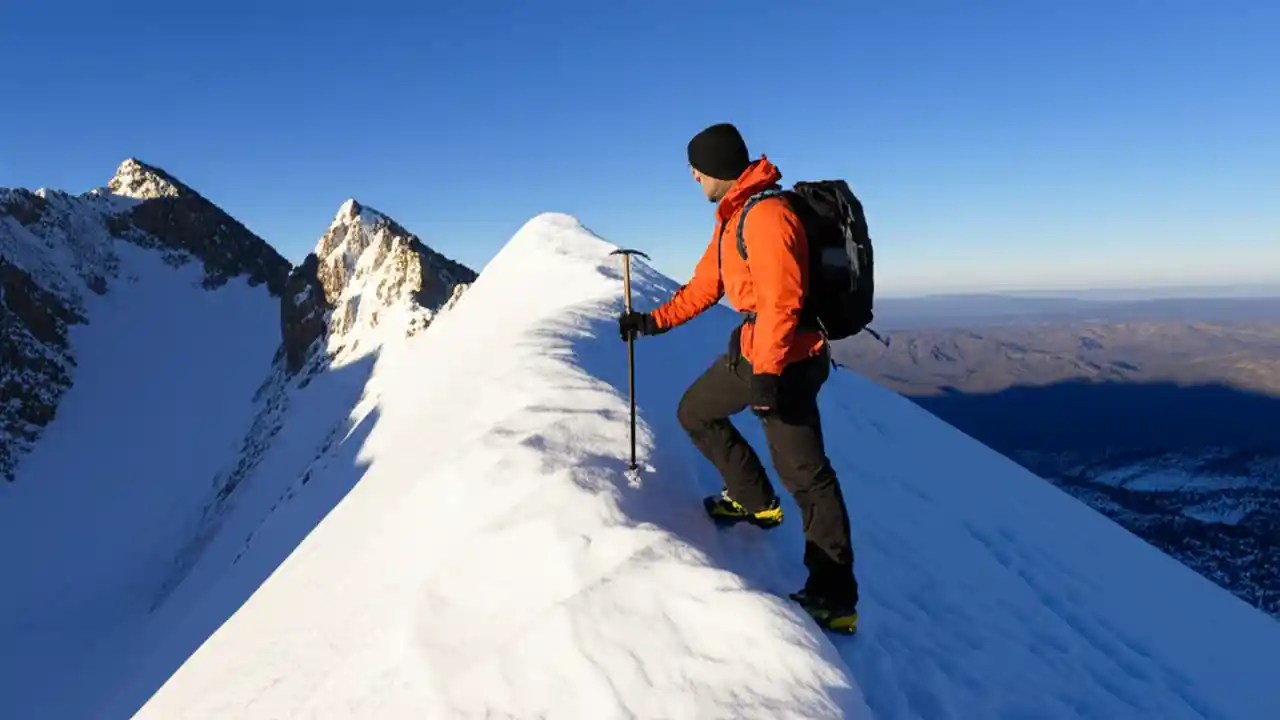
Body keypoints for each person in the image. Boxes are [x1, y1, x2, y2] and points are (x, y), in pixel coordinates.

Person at [617, 122, 859, 633]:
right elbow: (706, 286)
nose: (693, 177)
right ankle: (755, 502)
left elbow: (782, 302)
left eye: (696, 169)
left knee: (808, 477)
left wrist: (768, 377)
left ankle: (834, 598)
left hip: (785, 360)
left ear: (718, 167)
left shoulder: (767, 216)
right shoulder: (733, 219)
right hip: (756, 353)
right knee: (696, 412)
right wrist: (651, 322)